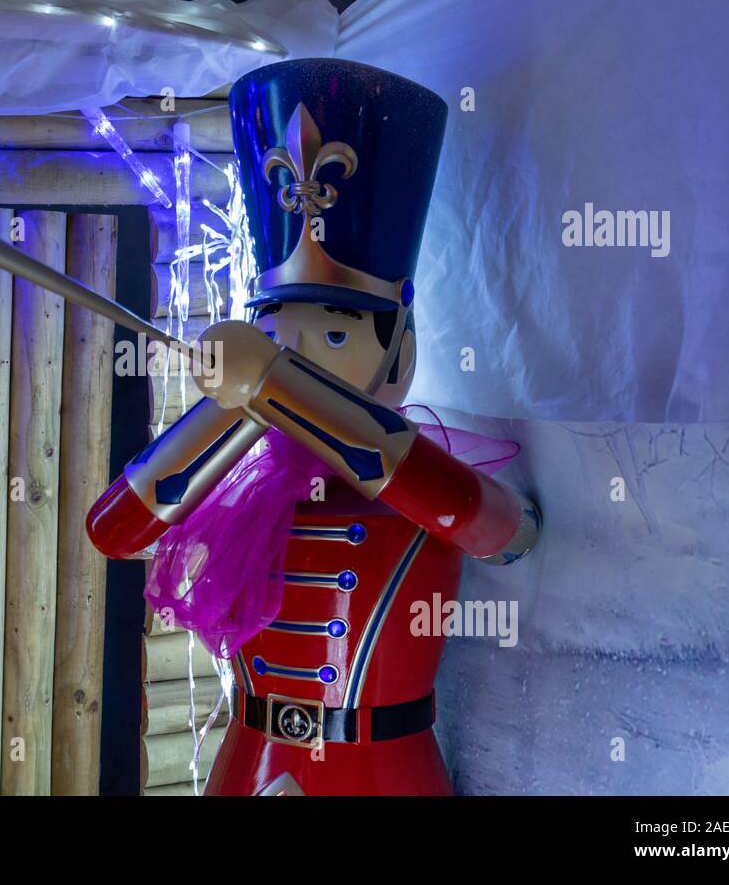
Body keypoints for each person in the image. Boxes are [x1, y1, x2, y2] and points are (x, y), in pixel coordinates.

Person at [87, 59, 541, 795]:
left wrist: (272, 381)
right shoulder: (245, 474)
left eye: (331, 335)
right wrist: (230, 403)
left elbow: (503, 532)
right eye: (279, 336)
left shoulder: (423, 476)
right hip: (253, 763)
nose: (296, 355)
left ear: (402, 343)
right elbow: (113, 532)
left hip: (382, 773)